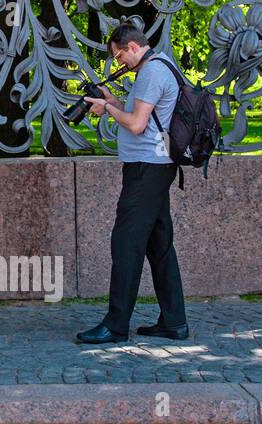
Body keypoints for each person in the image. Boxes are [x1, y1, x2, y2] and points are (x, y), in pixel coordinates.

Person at [76, 23, 189, 344]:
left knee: (125, 243)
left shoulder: (152, 72)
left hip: (147, 169)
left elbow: (138, 125)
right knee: (159, 244)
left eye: (119, 55)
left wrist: (108, 108)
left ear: (132, 47)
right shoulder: (161, 65)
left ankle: (115, 325)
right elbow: (145, 116)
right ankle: (174, 321)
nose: (118, 62)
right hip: (155, 166)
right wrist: (114, 100)